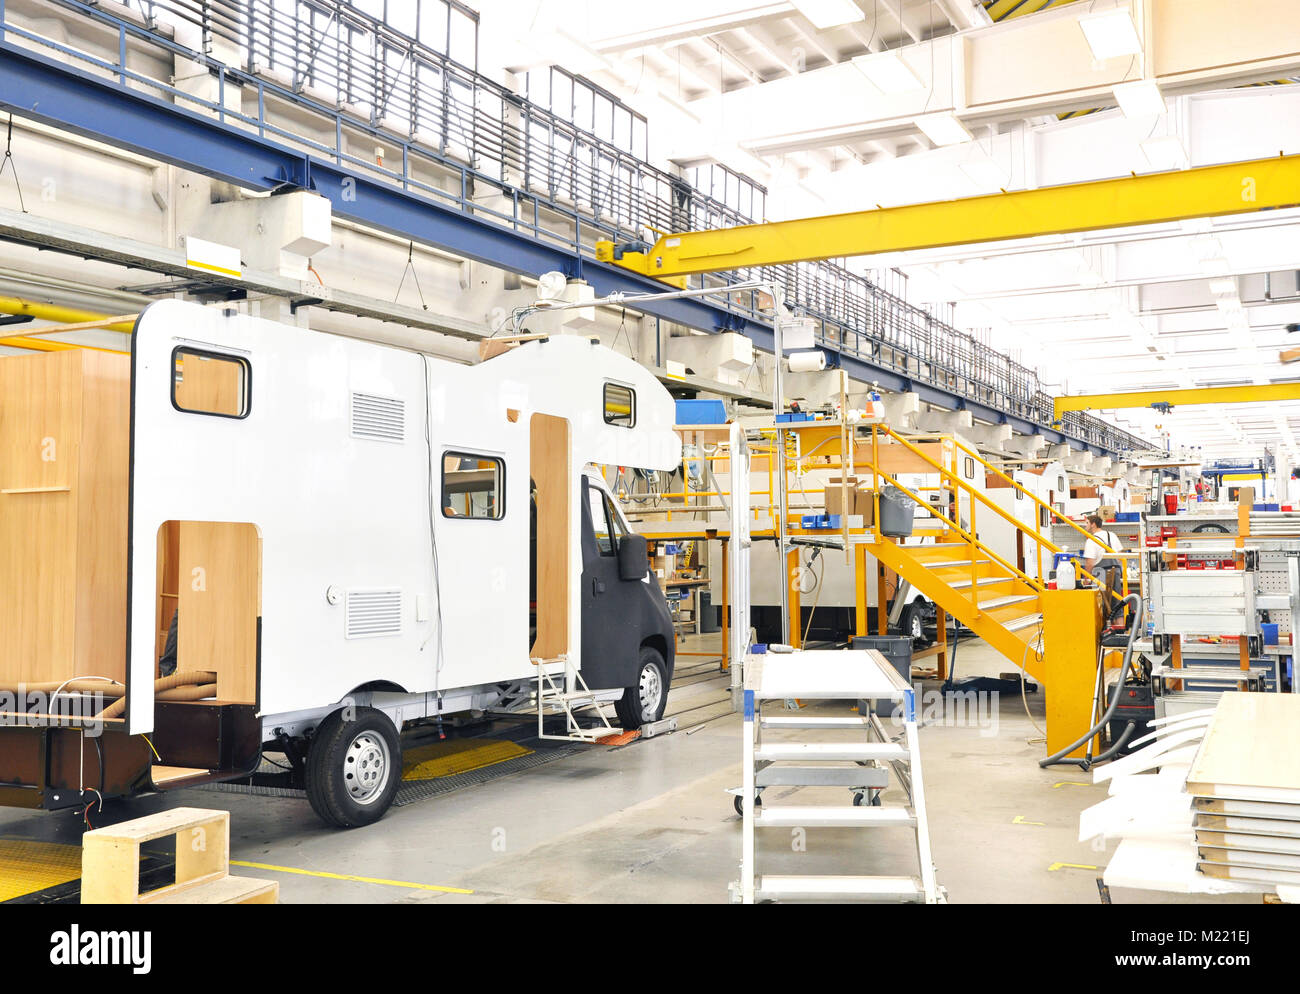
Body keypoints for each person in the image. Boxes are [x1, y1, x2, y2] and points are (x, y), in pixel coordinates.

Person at [1082, 514, 1123, 602]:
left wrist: (1086, 579)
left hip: (1101, 575)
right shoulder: (1112, 535)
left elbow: (1090, 563)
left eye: (1087, 523)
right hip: (1115, 572)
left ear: (1093, 524)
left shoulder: (1091, 540)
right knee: (1117, 605)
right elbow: (1120, 557)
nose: (1085, 526)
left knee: (1100, 606)